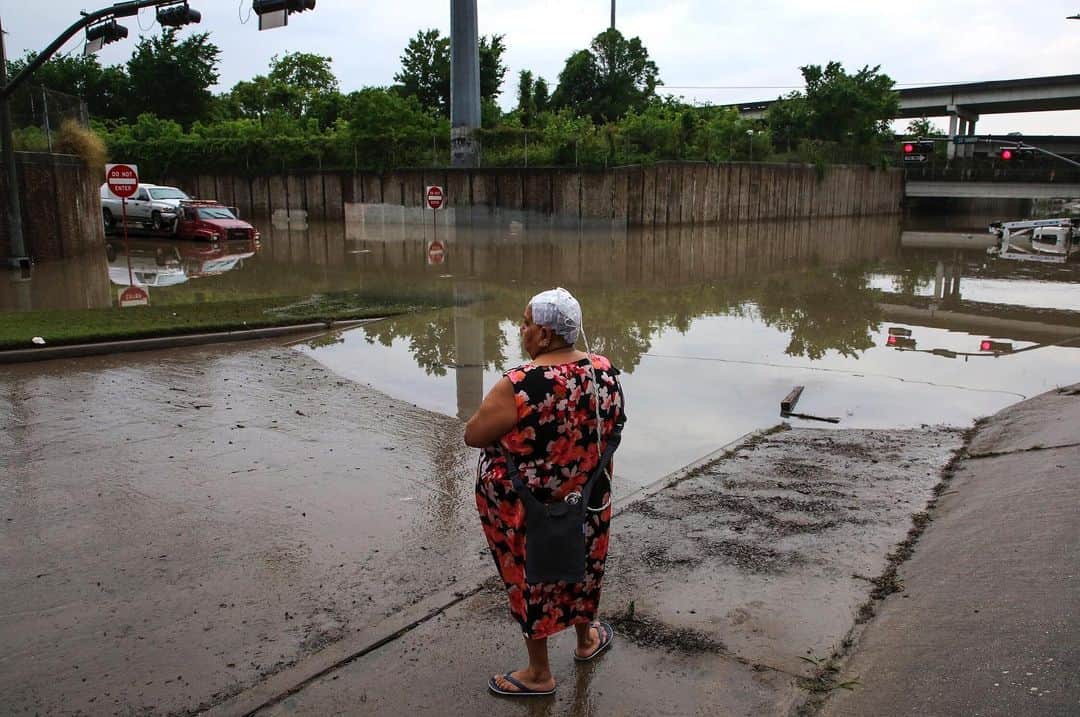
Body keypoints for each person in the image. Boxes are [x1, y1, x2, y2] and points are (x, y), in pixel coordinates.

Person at [465, 287, 627, 697]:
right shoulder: (603, 371)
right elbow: (611, 429)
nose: (521, 331)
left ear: (546, 335)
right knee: (582, 567)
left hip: (528, 507)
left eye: (526, 323)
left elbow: (474, 434)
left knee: (530, 576)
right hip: (586, 499)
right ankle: (586, 640)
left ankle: (539, 673)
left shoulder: (519, 384)